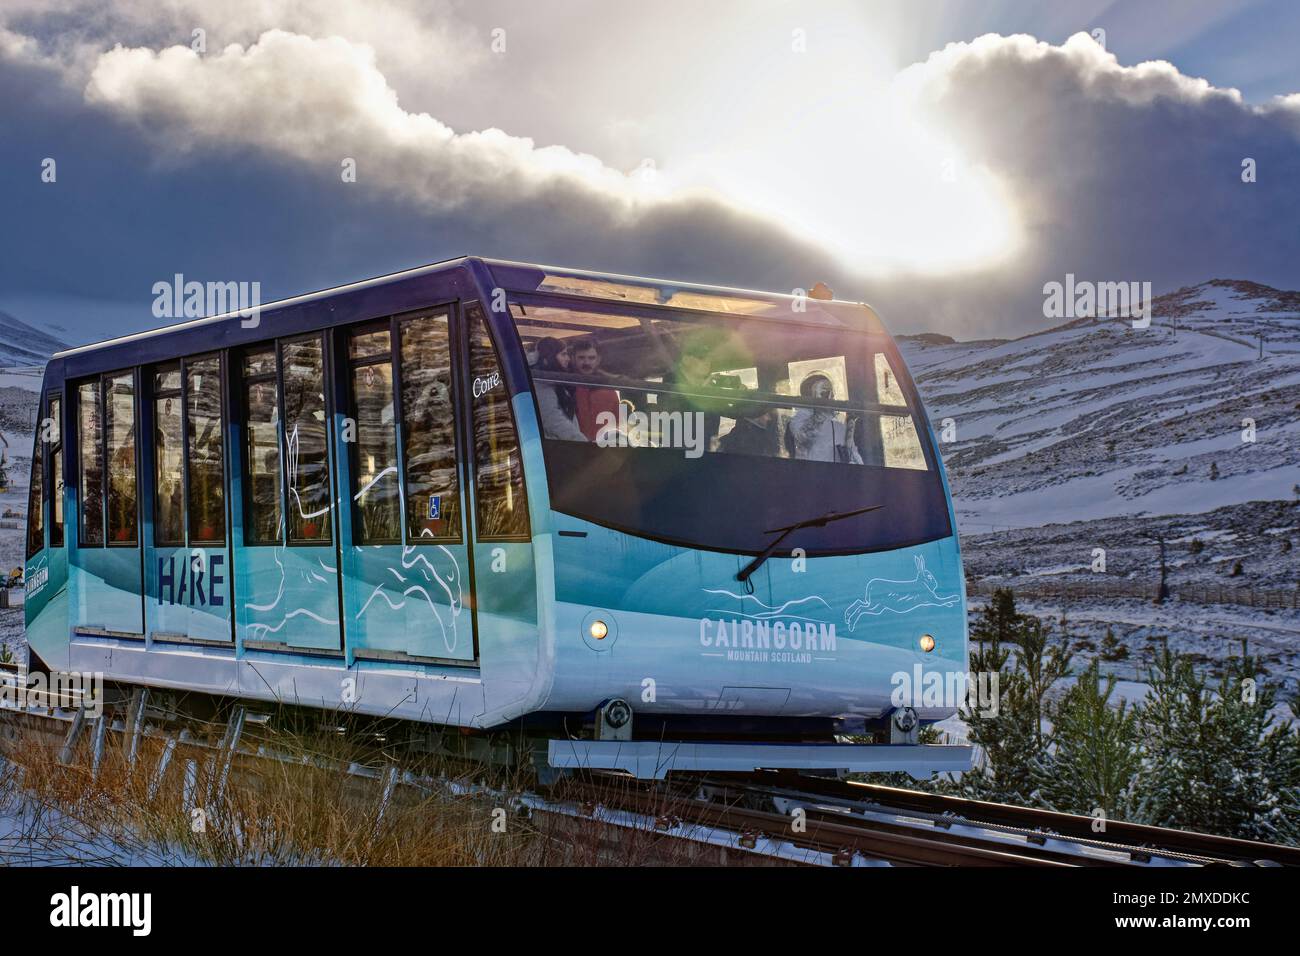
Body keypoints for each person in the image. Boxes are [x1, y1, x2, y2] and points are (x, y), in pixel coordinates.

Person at [785, 372, 863, 463]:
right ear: (811, 395)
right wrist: (822, 407)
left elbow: (852, 455)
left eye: (831, 393)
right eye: (824, 393)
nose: (831, 397)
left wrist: (851, 422)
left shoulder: (839, 426)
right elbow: (803, 438)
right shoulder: (798, 420)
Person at [532, 337, 587, 441]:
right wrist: (581, 441)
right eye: (563, 354)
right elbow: (552, 420)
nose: (568, 359)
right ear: (550, 357)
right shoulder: (540, 384)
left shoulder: (559, 385)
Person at [570, 337, 620, 441]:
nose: (586, 362)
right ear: (573, 358)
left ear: (598, 360)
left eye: (591, 358)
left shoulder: (609, 391)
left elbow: (617, 425)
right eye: (581, 358)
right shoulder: (566, 387)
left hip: (602, 448)